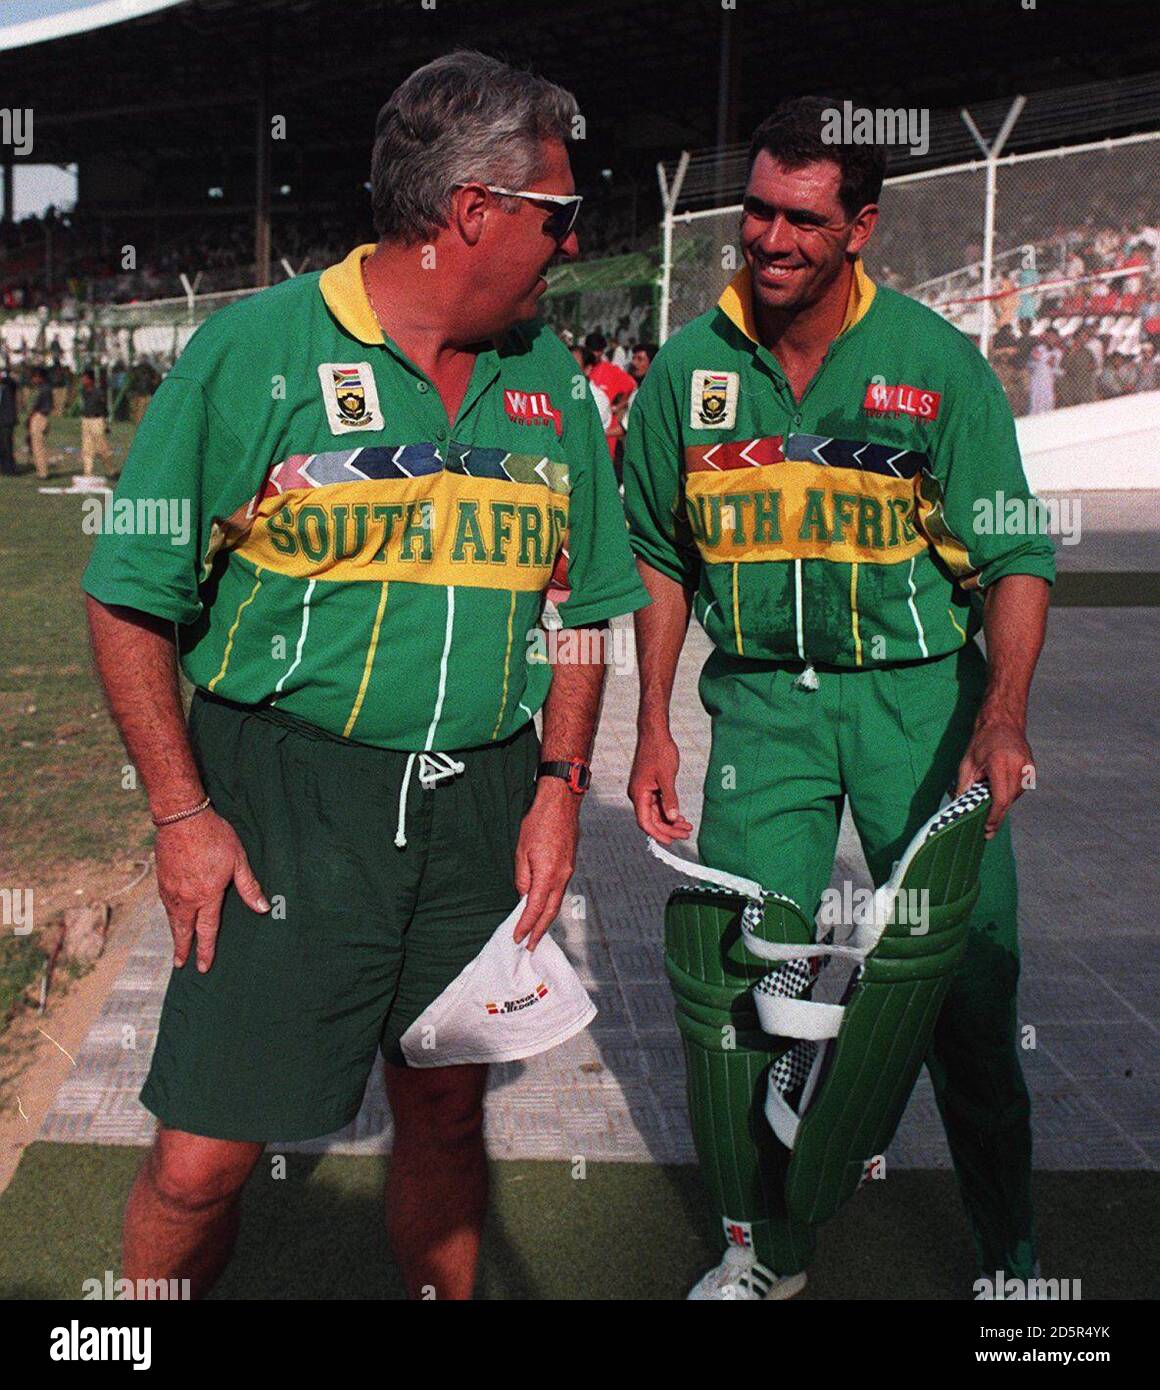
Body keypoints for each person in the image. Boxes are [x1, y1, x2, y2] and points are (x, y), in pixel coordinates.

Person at [83, 49, 647, 1302]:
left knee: (447, 1119)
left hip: (480, 806)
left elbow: (586, 608)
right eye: (557, 217)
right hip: (288, 805)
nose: (568, 248)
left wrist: (558, 783)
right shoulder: (253, 352)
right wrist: (181, 813)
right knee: (199, 1160)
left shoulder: (547, 376)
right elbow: (127, 596)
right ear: (475, 213)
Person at [623, 94, 1053, 1300]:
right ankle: (769, 1252)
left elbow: (1015, 555)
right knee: (754, 990)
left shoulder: (931, 363)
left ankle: (1009, 1256)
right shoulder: (687, 369)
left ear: (857, 226)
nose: (768, 237)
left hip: (918, 704)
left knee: (967, 989)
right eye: (754, 209)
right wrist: (653, 716)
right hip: (760, 706)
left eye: (801, 219)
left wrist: (1001, 710)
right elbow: (658, 551)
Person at [78, 369, 113, 476]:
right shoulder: (84, 392)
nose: (83, 381)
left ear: (91, 380)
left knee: (101, 447)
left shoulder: (99, 392)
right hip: (86, 420)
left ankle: (110, 469)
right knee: (86, 447)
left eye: (85, 379)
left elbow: (103, 408)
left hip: (97, 420)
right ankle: (88, 472)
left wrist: (105, 423)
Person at [1058, 326, 1097, 407]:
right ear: (1077, 338)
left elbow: (1094, 364)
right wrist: (1072, 353)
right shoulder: (1069, 350)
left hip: (1086, 384)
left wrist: (1091, 367)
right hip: (1072, 385)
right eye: (1083, 336)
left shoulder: (1087, 351)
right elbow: (1063, 366)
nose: (1085, 338)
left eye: (1086, 336)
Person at [26, 366, 53, 478]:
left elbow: (35, 406)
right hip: (42, 416)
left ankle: (43, 472)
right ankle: (41, 470)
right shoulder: (46, 388)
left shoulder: (43, 389)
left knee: (38, 446)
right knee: (37, 444)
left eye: (34, 377)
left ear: (39, 377)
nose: (33, 380)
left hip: (39, 417)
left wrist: (29, 418)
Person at [1027, 327, 1063, 413]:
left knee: (1048, 408)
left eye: (1053, 337)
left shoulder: (1058, 353)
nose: (1051, 339)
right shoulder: (1037, 350)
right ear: (1045, 337)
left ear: (1057, 338)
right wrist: (1037, 359)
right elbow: (1030, 366)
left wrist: (1055, 367)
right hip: (1036, 384)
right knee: (1035, 409)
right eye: (1049, 337)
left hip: (1049, 385)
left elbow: (1057, 371)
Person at [0, 363, 17, 475]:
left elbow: (13, 383)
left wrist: (4, 378)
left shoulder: (8, 386)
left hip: (6, 420)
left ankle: (9, 468)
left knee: (7, 444)